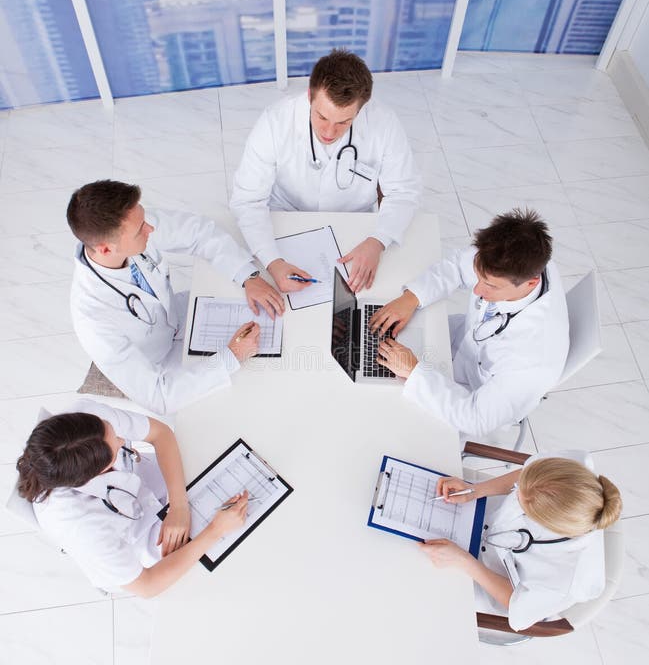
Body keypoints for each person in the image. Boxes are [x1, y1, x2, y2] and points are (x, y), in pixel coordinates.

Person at [68, 179, 285, 415]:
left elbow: (199, 233)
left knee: (272, 334)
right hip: (163, 365)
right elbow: (159, 396)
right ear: (106, 249)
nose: (150, 229)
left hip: (178, 314)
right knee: (252, 392)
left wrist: (248, 276)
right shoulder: (93, 319)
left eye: (144, 220)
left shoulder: (131, 223)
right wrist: (231, 356)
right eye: (141, 229)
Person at [229, 48, 421, 294]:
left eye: (343, 122)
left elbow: (403, 191)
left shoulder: (385, 123)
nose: (329, 133)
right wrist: (272, 261)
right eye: (321, 117)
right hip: (286, 217)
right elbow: (247, 200)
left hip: (355, 228)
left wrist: (378, 241)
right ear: (310, 96)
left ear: (361, 109)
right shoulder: (274, 122)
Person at [15, 401, 248, 597]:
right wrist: (215, 531)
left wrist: (178, 506)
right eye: (116, 447)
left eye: (113, 432)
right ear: (95, 474)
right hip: (141, 545)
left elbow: (160, 433)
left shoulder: (86, 421)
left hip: (151, 486)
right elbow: (147, 586)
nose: (122, 440)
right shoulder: (80, 526)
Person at [371, 208, 569, 437]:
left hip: (466, 394)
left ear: (531, 283)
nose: (476, 290)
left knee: (384, 416)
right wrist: (411, 298)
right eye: (478, 276)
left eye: (491, 286)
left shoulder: (532, 357)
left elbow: (475, 419)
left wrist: (415, 372)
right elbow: (456, 266)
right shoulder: (513, 257)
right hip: (458, 344)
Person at [420, 451, 622, 631]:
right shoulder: (572, 470)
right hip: (483, 520)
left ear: (546, 523)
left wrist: (463, 561)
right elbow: (526, 477)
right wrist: (475, 490)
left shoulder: (565, 580)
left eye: (522, 503)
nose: (515, 494)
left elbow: (516, 603)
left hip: (489, 580)